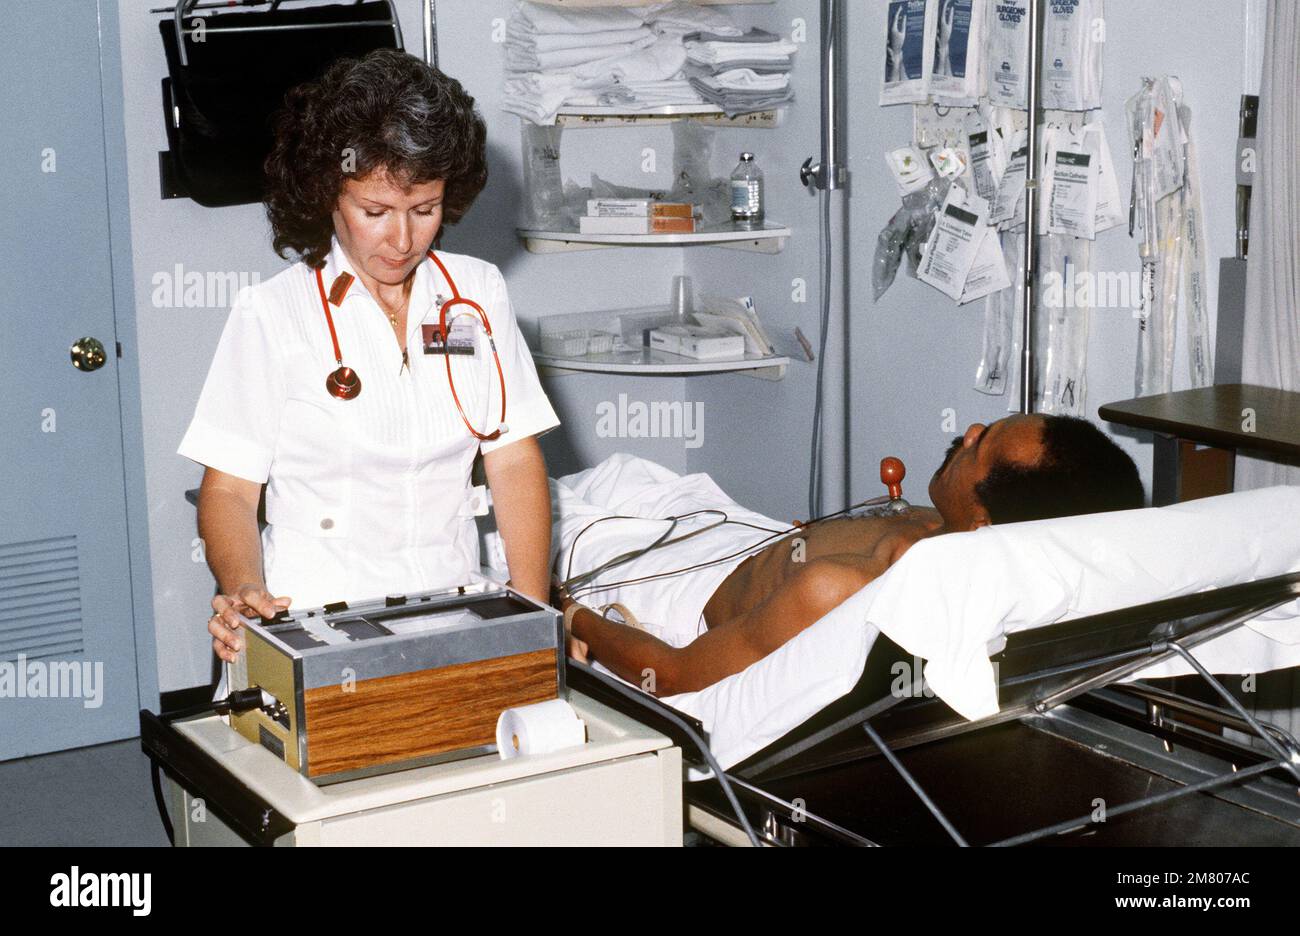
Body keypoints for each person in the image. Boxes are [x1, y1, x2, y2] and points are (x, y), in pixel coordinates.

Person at [179, 50, 560, 666]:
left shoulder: (477, 295)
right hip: (313, 621)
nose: (403, 240)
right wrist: (245, 590)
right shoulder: (273, 314)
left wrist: (529, 616)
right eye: (375, 212)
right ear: (328, 191)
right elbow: (228, 493)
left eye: (425, 210)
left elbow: (513, 460)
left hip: (452, 607)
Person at [559, 413, 1144, 695]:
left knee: (532, 523)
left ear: (984, 522)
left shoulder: (841, 592)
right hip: (734, 534)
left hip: (668, 588)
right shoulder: (950, 535)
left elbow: (676, 675)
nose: (968, 430)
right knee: (621, 473)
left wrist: (566, 615)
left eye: (979, 446)